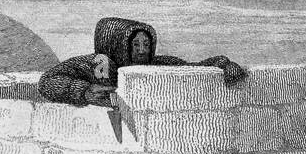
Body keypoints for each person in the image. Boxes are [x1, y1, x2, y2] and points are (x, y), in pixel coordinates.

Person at [37, 16, 247, 106]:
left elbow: (193, 68)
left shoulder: (157, 64)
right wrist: (83, 91)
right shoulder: (98, 64)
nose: (141, 51)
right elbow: (48, 81)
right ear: (120, 44)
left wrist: (223, 63)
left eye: (146, 45)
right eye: (136, 45)